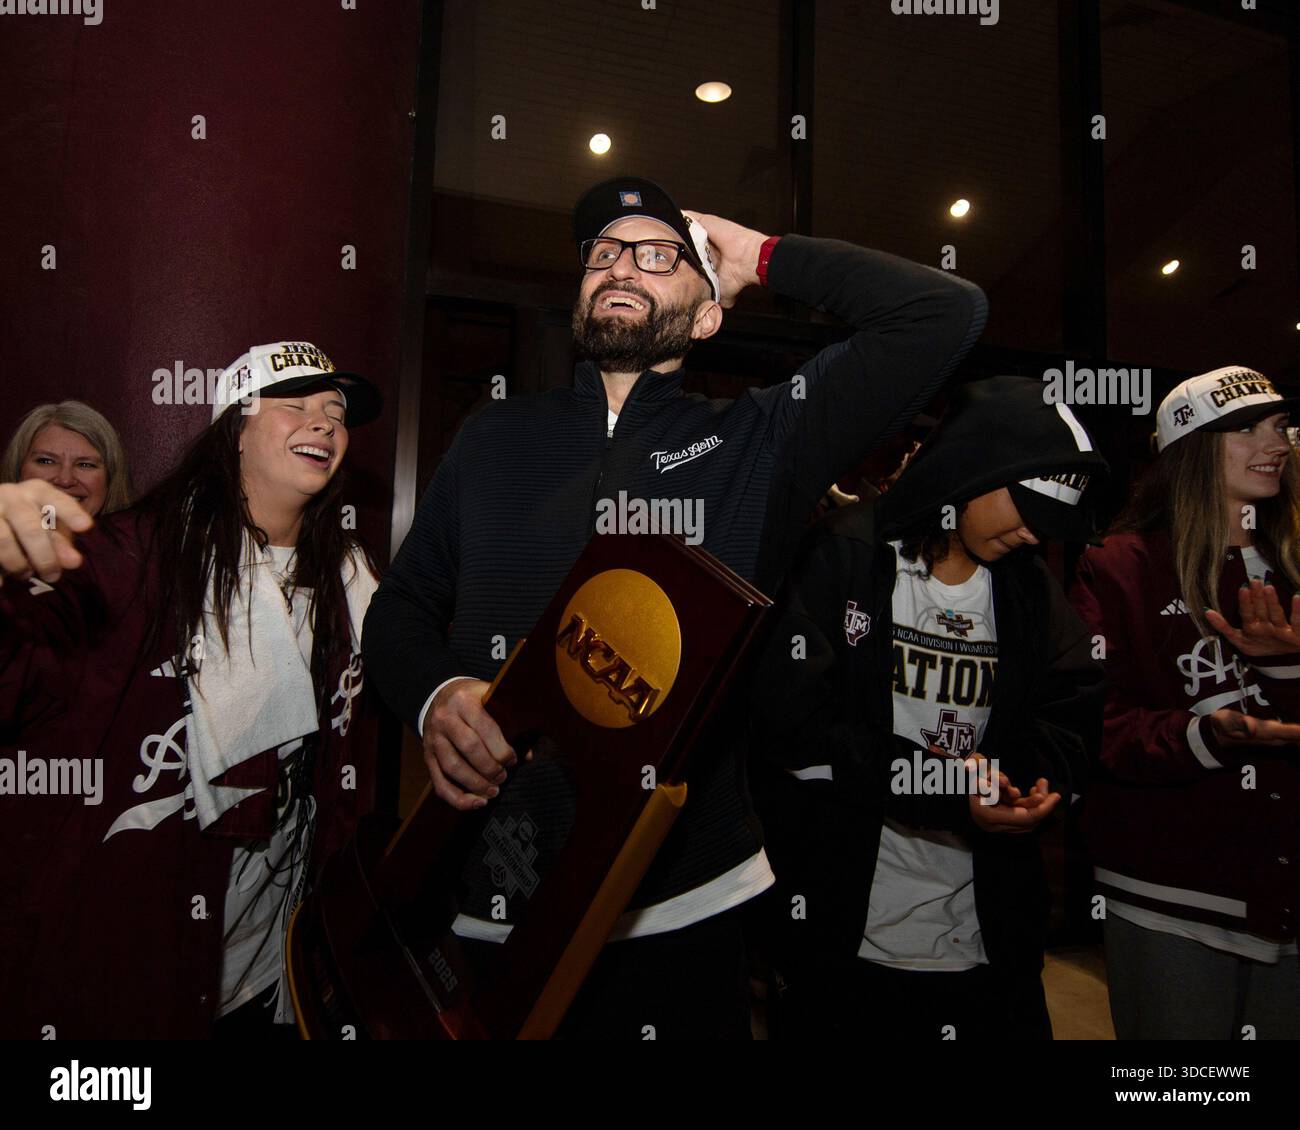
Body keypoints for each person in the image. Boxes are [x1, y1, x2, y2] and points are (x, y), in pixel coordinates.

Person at [362, 176, 987, 1039]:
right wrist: (435, 697)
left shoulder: (762, 440)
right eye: (605, 252)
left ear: (707, 315)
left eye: (660, 256)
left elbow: (945, 315)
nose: (622, 264)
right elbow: (398, 612)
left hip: (684, 906)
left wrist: (762, 255)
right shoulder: (494, 438)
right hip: (491, 899)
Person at [0, 341, 383, 1038]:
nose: (325, 423)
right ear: (234, 429)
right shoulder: (136, 556)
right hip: (138, 961)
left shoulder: (351, 580)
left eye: (335, 414)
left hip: (270, 966)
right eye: (295, 406)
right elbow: (20, 669)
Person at [749, 376, 1107, 1040]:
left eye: (1048, 522)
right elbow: (794, 728)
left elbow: (1073, 705)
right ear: (969, 465)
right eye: (1025, 508)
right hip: (845, 935)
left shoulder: (1029, 591)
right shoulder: (843, 557)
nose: (1033, 534)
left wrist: (1032, 785)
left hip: (988, 942)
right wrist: (944, 790)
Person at [1070, 366, 1300, 1040]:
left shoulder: (1293, 564)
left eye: (1281, 424)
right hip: (1172, 897)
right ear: (1191, 449)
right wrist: (1209, 734)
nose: (1277, 441)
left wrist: (1287, 673)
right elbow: (1097, 726)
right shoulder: (1119, 566)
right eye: (1246, 427)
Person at [2, 399, 133, 516]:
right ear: (18, 469)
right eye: (46, 461)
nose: (65, 480)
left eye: (85, 465)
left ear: (110, 479)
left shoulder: (136, 542)